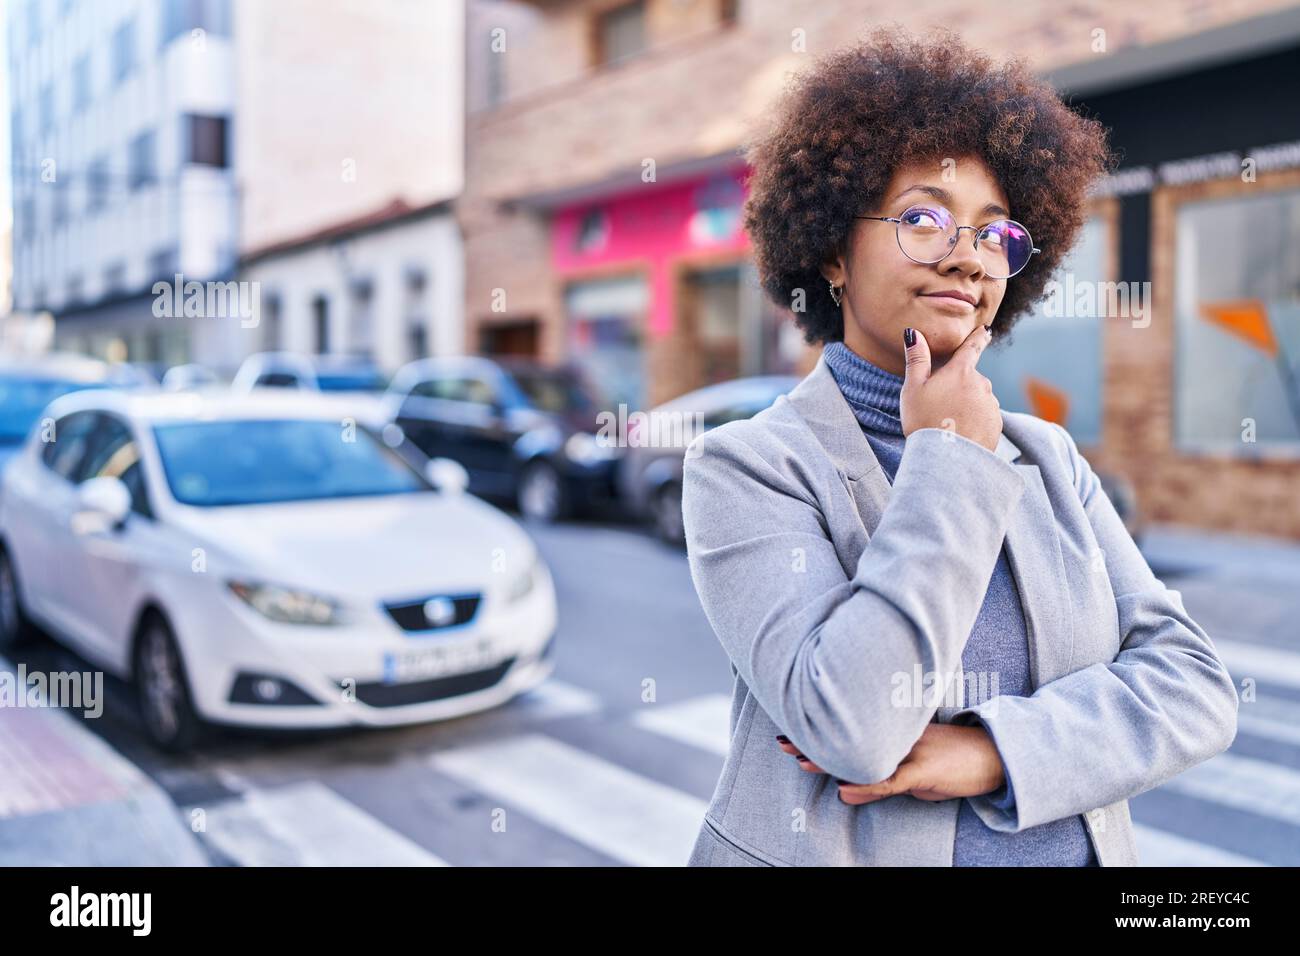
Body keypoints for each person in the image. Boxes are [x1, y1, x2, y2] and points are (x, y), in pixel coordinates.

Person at [681, 25, 1238, 866]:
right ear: (832, 250)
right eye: (922, 218)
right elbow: (856, 727)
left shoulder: (1047, 456)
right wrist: (948, 461)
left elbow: (1196, 688)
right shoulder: (749, 467)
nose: (968, 258)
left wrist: (992, 754)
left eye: (994, 233)